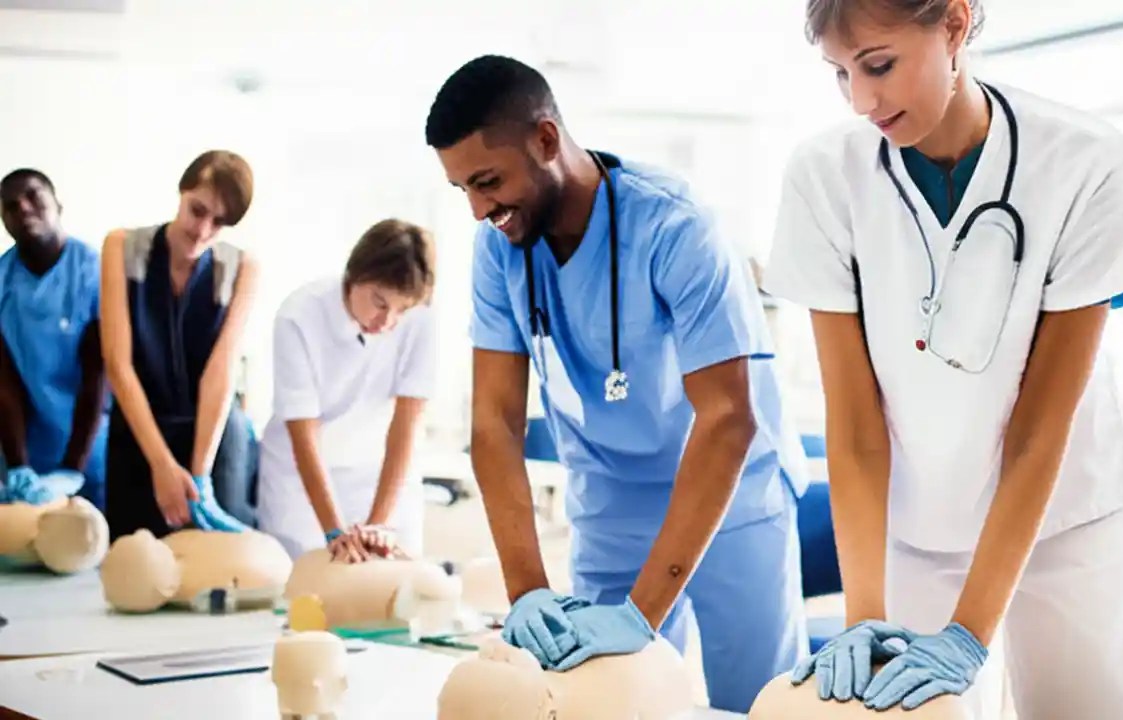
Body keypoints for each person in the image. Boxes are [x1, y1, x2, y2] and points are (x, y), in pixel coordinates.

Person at [765, 1, 1123, 718]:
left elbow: (1041, 424)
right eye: (840, 74)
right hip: (919, 525)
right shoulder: (824, 177)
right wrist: (864, 615)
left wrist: (970, 634)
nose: (862, 101)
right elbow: (854, 425)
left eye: (879, 65)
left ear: (952, 24)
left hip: (1067, 519)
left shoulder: (1084, 160)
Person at [425, 55, 811, 714]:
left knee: (759, 706)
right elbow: (494, 423)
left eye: (487, 181)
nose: (478, 209)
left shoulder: (674, 226)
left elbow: (728, 419)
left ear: (546, 140)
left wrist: (641, 615)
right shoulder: (499, 248)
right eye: (462, 189)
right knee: (601, 701)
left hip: (729, 496)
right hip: (611, 498)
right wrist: (528, 593)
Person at [100, 150, 260, 540]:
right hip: (141, 431)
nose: (203, 229)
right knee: (137, 562)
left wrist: (199, 476)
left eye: (219, 222)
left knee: (219, 561)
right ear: (182, 190)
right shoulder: (122, 247)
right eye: (197, 209)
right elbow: (118, 365)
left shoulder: (241, 268)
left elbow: (219, 374)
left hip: (214, 436)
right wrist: (162, 465)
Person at [256, 219, 437, 562]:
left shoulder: (422, 317)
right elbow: (303, 433)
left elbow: (407, 423)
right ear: (354, 276)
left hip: (379, 473)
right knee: (306, 590)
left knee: (391, 588)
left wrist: (378, 524)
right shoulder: (299, 315)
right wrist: (334, 530)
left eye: (402, 310)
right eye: (380, 303)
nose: (388, 322)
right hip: (301, 481)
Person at [0, 169, 109, 508]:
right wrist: (19, 466)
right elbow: (3, 382)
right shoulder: (3, 280)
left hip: (92, 450)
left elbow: (98, 376)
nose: (24, 209)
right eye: (11, 206)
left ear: (58, 204)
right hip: (29, 452)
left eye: (33, 197)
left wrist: (72, 470)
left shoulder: (95, 273)